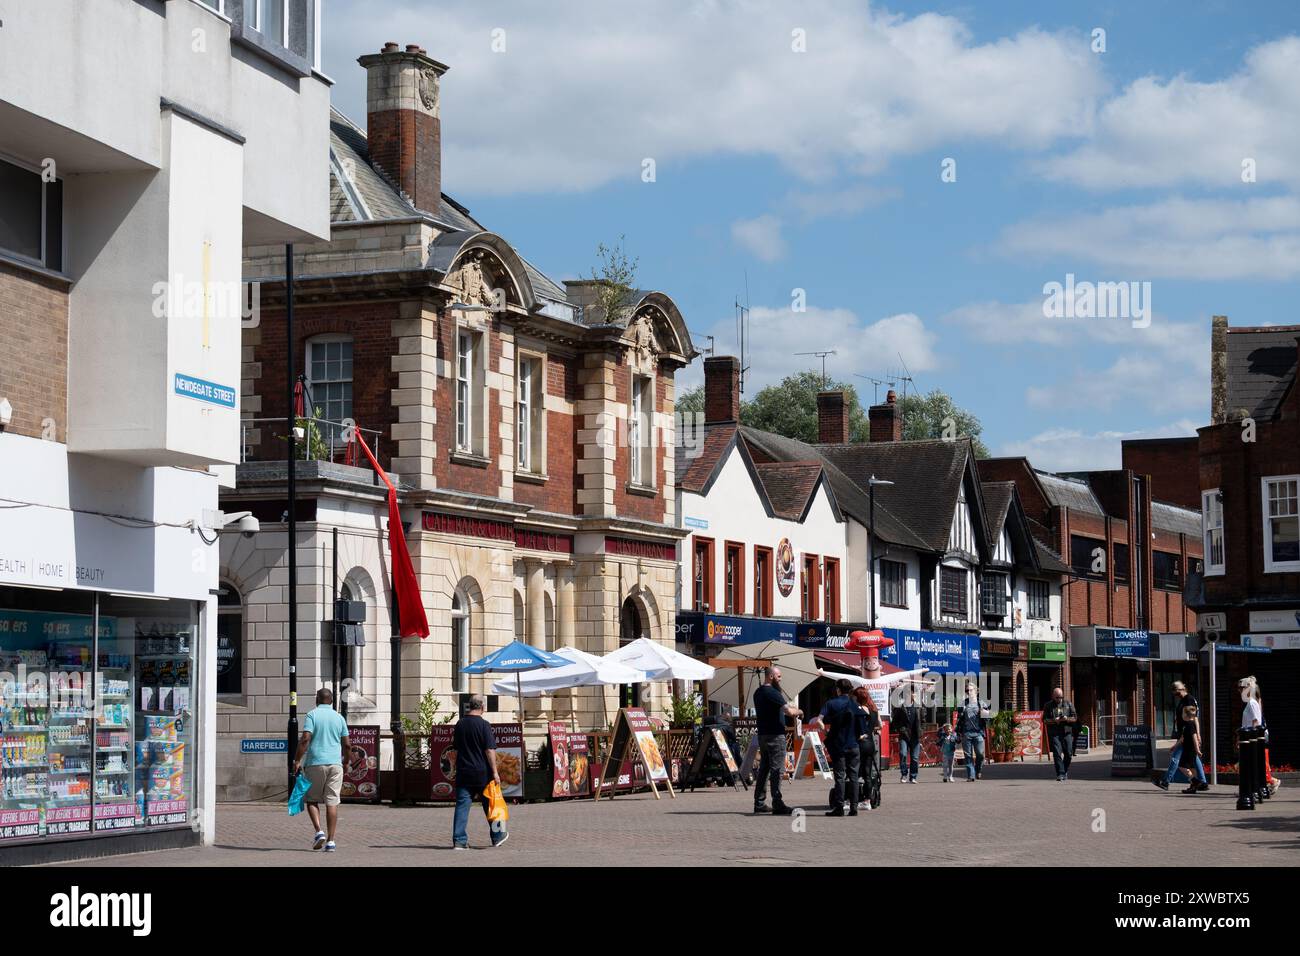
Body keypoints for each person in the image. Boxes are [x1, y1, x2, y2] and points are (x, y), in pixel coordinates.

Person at [291, 688, 350, 852]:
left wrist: (297, 760)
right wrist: (346, 762)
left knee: (311, 799)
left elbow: (305, 739)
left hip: (315, 763)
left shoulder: (312, 715)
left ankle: (319, 831)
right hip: (335, 764)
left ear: (317, 699)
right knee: (332, 801)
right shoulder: (339, 718)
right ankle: (331, 841)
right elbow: (347, 744)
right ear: (331, 700)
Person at [451, 695, 508, 849]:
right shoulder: (484, 725)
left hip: (464, 771)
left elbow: (455, 750)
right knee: (491, 804)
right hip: (482, 773)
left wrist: (455, 768)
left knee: (462, 806)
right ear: (482, 706)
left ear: (469, 706)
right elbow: (489, 750)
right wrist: (495, 772)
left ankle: (459, 840)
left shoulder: (460, 724)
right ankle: (498, 836)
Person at [752, 667, 801, 816]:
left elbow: (777, 708)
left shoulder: (758, 692)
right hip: (775, 735)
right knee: (777, 770)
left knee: (764, 770)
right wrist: (800, 711)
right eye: (779, 676)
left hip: (763, 735)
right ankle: (777, 803)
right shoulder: (772, 693)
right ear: (771, 676)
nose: (780, 679)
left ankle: (759, 803)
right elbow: (789, 711)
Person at [814, 678, 861, 816]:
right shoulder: (854, 704)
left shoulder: (831, 703)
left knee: (839, 776)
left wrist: (826, 731)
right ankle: (854, 807)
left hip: (838, 745)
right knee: (854, 776)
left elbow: (819, 721)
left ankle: (839, 807)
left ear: (838, 689)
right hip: (853, 745)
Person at [1154, 681, 1207, 792]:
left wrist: (1197, 734)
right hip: (1184, 733)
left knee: (1175, 758)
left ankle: (1166, 782)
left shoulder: (1189, 699)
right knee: (1195, 758)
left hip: (1187, 733)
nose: (1175, 694)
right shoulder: (1183, 700)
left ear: (1183, 689)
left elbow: (1194, 718)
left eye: (1177, 691)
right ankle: (1202, 782)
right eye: (1174, 692)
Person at [952, 681, 990, 781]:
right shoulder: (963, 704)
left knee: (980, 754)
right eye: (967, 690)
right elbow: (959, 719)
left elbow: (988, 719)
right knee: (968, 755)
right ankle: (971, 775)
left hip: (978, 732)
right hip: (966, 733)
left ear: (976, 691)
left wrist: (984, 713)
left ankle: (978, 770)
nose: (969, 692)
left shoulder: (981, 703)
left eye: (971, 690)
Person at [852, 686, 881, 810]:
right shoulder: (874, 709)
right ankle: (867, 801)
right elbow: (880, 725)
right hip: (870, 744)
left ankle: (852, 799)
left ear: (858, 697)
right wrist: (872, 730)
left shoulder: (859, 709)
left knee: (854, 772)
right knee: (868, 773)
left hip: (859, 743)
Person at [890, 684, 924, 784]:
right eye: (909, 692)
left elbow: (923, 720)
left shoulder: (919, 707)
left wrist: (921, 730)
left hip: (915, 735)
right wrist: (900, 730)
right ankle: (904, 774)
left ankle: (913, 776)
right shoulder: (900, 707)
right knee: (903, 754)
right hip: (904, 735)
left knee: (914, 757)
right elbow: (895, 722)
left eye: (913, 692)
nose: (911, 694)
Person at [1044, 687, 1078, 781]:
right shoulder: (1048, 705)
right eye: (1057, 697)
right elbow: (1045, 720)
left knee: (1069, 753)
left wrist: (1066, 719)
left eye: (1061, 697)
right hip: (1055, 733)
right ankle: (1060, 773)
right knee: (1057, 753)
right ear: (1053, 696)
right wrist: (1054, 720)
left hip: (1067, 732)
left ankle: (1064, 770)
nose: (1059, 699)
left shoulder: (1068, 704)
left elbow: (1075, 718)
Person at [1175, 704, 1205, 795]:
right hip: (1188, 748)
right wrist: (1174, 746)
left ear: (1186, 715)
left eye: (1183, 713)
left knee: (1181, 766)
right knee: (1192, 767)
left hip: (1189, 749)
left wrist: (1197, 750)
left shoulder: (1190, 724)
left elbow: (1194, 737)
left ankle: (1195, 781)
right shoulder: (1187, 725)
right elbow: (1183, 738)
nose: (1181, 715)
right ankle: (1193, 787)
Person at [937, 713, 958, 783]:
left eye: (949, 729)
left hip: (952, 752)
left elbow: (958, 740)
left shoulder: (954, 735)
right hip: (945, 753)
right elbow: (938, 734)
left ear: (952, 729)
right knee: (945, 765)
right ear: (944, 730)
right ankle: (945, 776)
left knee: (951, 765)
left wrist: (958, 737)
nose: (948, 731)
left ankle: (951, 776)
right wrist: (942, 727)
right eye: (946, 729)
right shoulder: (943, 736)